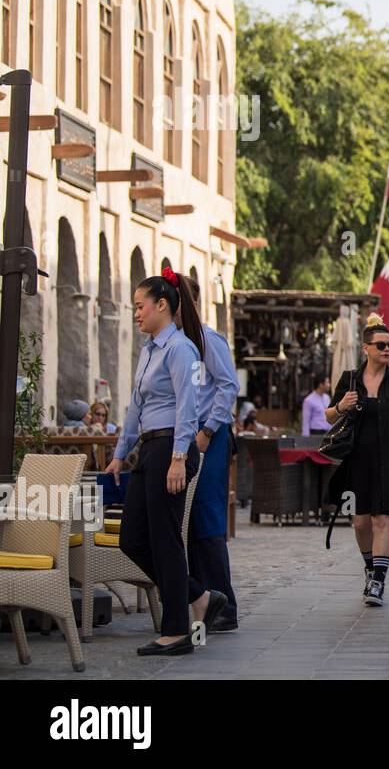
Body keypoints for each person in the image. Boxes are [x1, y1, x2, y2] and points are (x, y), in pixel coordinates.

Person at [106, 269, 227, 656]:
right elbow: (135, 405)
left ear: (162, 305)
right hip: (150, 449)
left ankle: (176, 629)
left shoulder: (182, 349)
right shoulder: (150, 350)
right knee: (132, 539)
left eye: (140, 306)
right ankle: (199, 596)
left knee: (166, 539)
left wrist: (179, 458)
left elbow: (189, 406)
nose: (136, 313)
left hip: (171, 450)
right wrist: (119, 454)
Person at [325, 315, 389, 608]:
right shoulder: (350, 379)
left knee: (382, 518)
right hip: (357, 460)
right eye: (380, 345)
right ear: (366, 347)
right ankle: (370, 567)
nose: (387, 350)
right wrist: (342, 405)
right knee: (359, 522)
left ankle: (378, 580)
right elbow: (329, 416)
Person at [178, 276, 241, 632]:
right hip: (186, 436)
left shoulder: (207, 340)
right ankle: (202, 598)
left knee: (206, 514)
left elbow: (229, 385)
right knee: (187, 518)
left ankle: (225, 604)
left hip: (210, 436)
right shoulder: (169, 345)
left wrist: (208, 430)